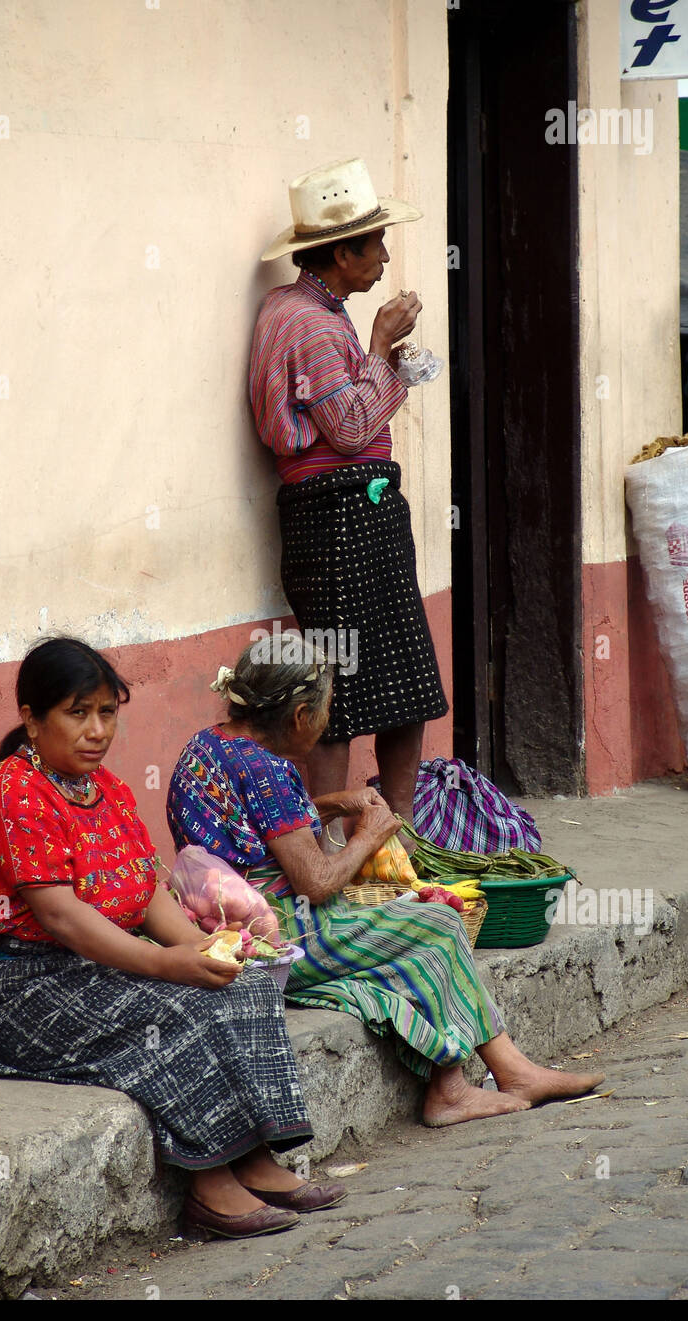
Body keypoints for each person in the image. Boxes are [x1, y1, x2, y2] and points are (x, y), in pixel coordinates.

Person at [0, 636, 345, 1241]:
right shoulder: (14, 792)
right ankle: (210, 1186)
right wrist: (168, 966)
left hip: (96, 966)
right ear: (31, 717)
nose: (97, 730)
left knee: (245, 985)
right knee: (177, 1010)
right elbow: (62, 919)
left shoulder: (108, 789)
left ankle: (256, 1159)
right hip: (23, 988)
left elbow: (147, 891)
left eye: (107, 713)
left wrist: (204, 949)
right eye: (78, 713)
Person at [167, 637, 605, 1126]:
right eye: (327, 710)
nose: (328, 721)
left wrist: (335, 802)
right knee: (436, 923)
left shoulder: (206, 745)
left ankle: (470, 1083)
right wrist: (369, 836)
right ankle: (489, 1078)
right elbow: (316, 883)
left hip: (224, 927)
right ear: (300, 716)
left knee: (408, 941)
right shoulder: (268, 770)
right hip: (279, 937)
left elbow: (263, 828)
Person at [249, 156, 448, 831]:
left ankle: (389, 834)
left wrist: (380, 356)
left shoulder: (305, 312)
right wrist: (383, 345)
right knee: (347, 686)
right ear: (340, 252)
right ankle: (339, 843)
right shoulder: (310, 322)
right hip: (340, 517)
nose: (385, 258)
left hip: (346, 514)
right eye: (374, 244)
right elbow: (353, 424)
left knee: (395, 684)